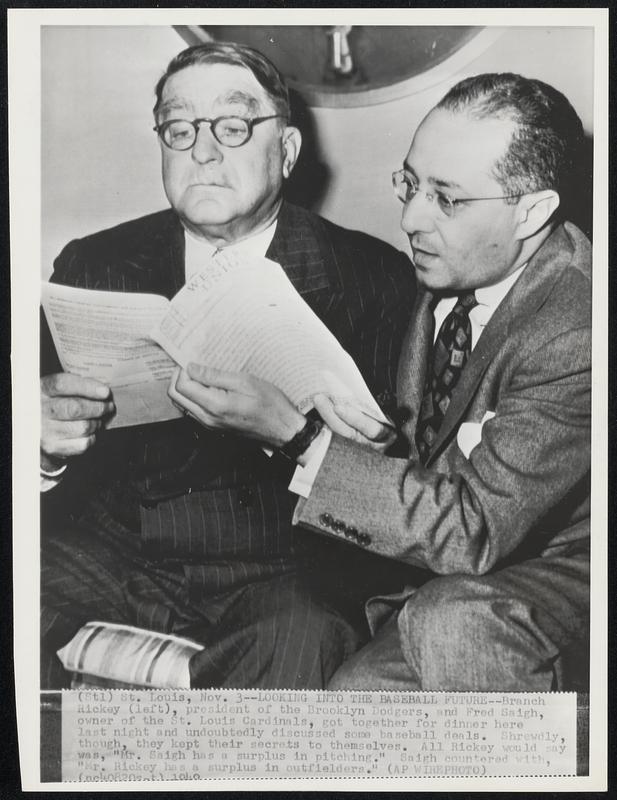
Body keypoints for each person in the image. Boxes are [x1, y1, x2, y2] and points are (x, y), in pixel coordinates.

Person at [176, 72, 591, 691]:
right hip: (448, 574)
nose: (411, 218)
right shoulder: (449, 268)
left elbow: (474, 530)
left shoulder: (577, 327)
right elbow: (435, 451)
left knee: (450, 625)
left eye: (447, 199)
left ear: (532, 211)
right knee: (350, 703)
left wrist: (299, 438)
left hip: (561, 574)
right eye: (410, 183)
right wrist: (369, 444)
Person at [40, 42, 416, 689]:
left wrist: (297, 435)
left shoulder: (373, 280)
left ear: (287, 151)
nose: (203, 152)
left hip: (276, 570)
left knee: (304, 637)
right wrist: (39, 443)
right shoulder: (93, 262)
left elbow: (395, 490)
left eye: (233, 126)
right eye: (179, 128)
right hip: (117, 548)